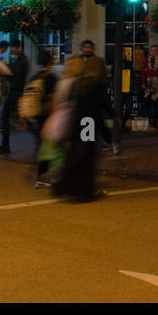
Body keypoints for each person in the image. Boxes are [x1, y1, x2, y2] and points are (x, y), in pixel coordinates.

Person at [55, 40, 113, 200]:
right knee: (86, 156)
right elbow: (102, 105)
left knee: (75, 153)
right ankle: (84, 189)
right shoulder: (95, 84)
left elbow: (69, 102)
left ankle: (66, 186)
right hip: (89, 122)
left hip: (78, 121)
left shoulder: (77, 84)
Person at [19, 49, 60, 186]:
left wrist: (23, 116)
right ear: (51, 61)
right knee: (48, 146)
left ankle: (42, 174)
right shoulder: (51, 77)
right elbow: (52, 99)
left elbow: (26, 96)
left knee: (42, 144)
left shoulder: (34, 76)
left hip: (34, 115)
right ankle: (42, 176)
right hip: (46, 115)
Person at [0, 39, 28, 155]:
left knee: (7, 117)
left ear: (17, 48)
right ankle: (5, 145)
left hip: (15, 93)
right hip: (14, 92)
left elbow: (15, 77)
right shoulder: (19, 59)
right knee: (6, 118)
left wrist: (5, 72)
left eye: (13, 48)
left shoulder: (21, 60)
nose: (11, 50)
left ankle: (5, 145)